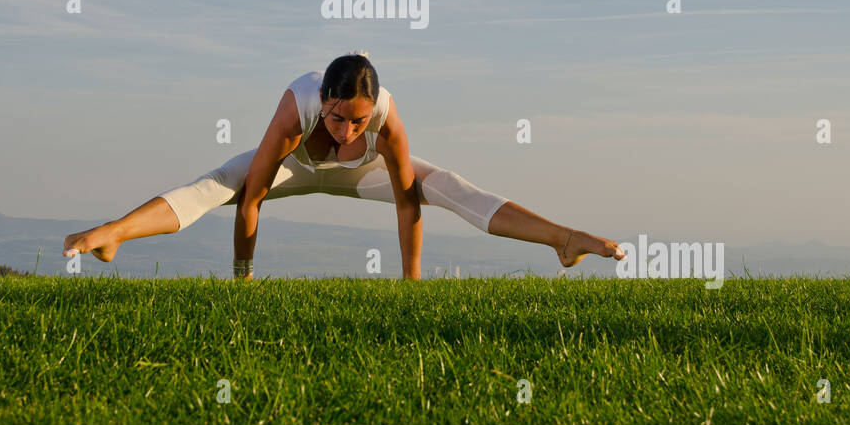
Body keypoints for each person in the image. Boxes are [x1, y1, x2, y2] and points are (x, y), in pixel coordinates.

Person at [63, 52, 625, 280]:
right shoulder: (296, 107)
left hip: (364, 175)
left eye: (359, 122)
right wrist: (242, 280)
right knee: (219, 184)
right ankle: (112, 234)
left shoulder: (386, 115)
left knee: (448, 185)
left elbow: (407, 200)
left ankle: (564, 238)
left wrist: (410, 283)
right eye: (338, 119)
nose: (348, 130)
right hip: (294, 167)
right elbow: (253, 198)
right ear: (323, 101)